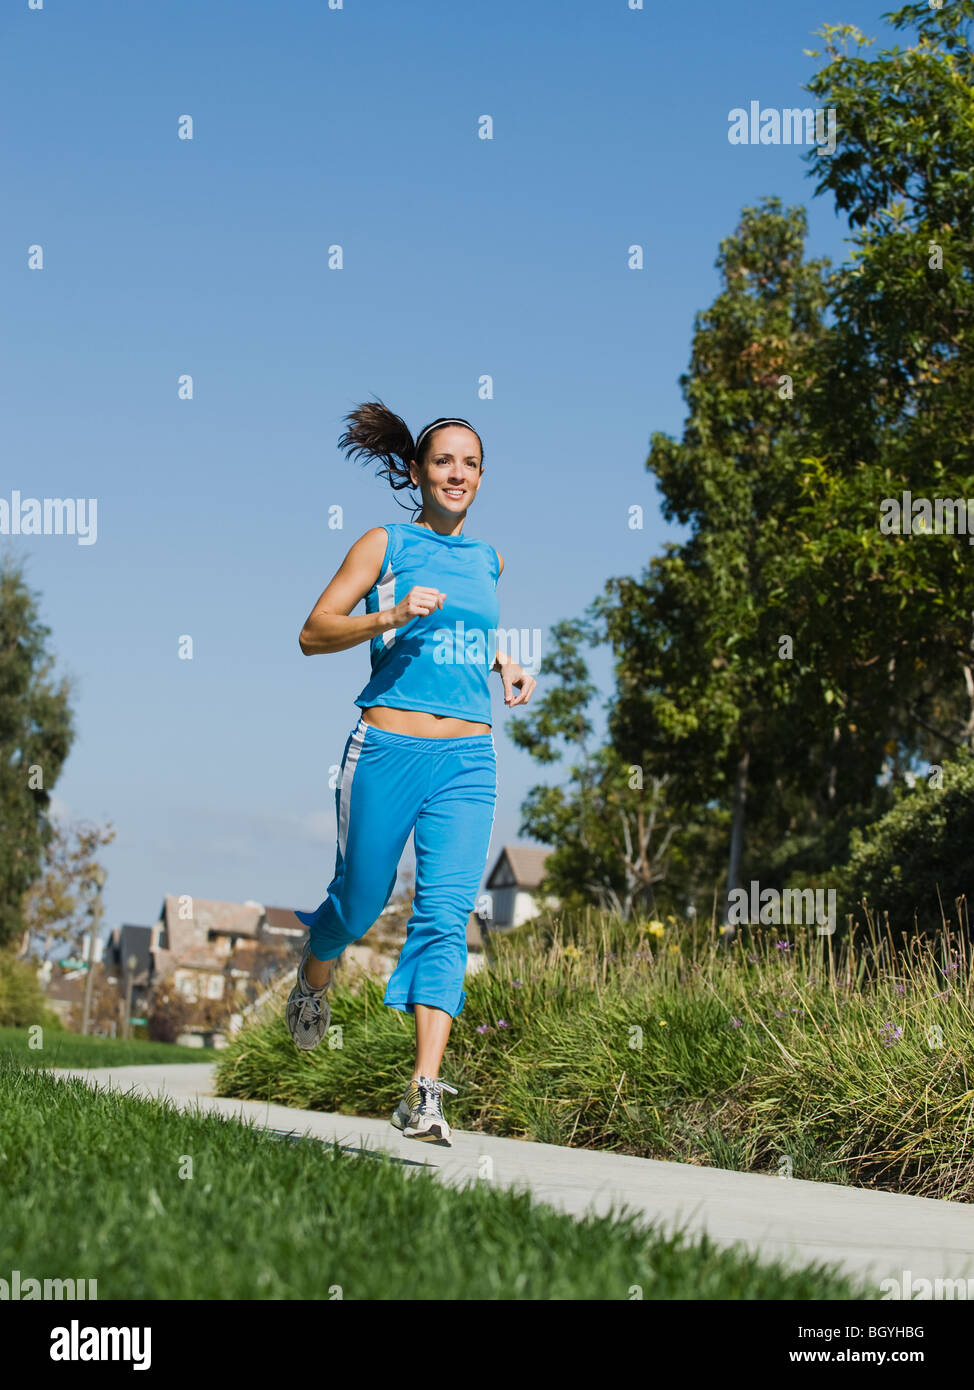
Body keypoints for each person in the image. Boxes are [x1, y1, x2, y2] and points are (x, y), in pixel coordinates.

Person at [287, 399, 536, 1144]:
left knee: (444, 915)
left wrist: (503, 660)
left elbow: (469, 628)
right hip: (386, 750)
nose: (456, 474)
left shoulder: (488, 559)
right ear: (417, 472)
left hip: (468, 757)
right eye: (442, 462)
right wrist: (387, 616)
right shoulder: (384, 544)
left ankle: (424, 1091)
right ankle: (315, 972)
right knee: (359, 905)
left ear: (481, 478)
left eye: (469, 464)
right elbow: (312, 633)